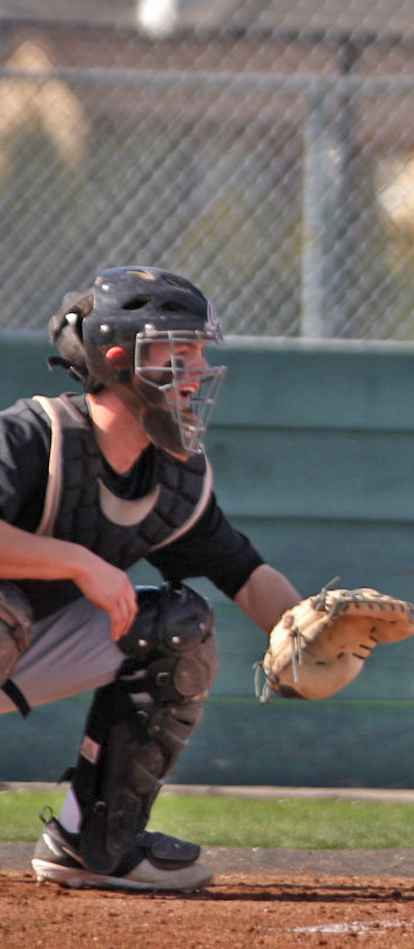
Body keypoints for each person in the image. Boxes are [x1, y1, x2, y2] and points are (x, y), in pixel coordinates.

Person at [2, 266, 315, 892]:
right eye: (182, 349)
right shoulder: (31, 436)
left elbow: (245, 575)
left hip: (21, 646)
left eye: (201, 350)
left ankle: (91, 842)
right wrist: (81, 563)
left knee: (179, 629)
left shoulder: (174, 479)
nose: (198, 369)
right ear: (118, 360)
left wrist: (307, 638)